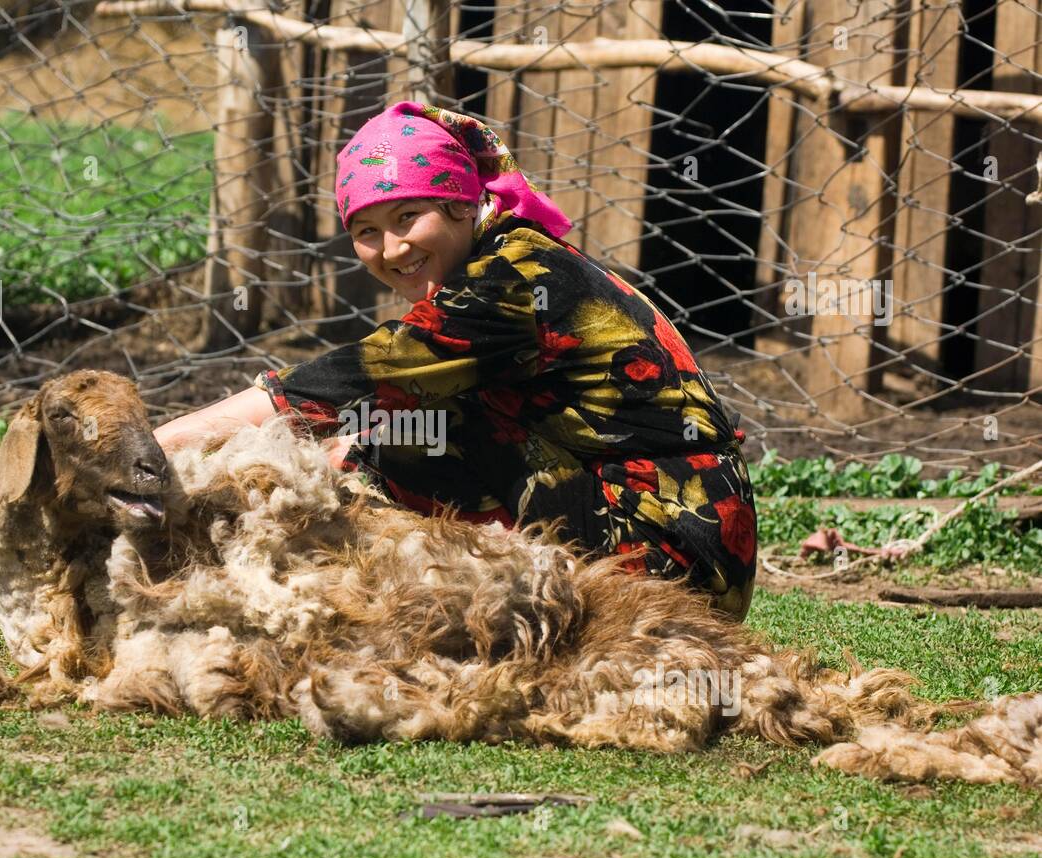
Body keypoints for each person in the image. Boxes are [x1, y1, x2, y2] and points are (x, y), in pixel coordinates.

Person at [154, 101, 757, 621]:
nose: (392, 249)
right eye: (366, 231)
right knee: (395, 430)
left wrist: (152, 448)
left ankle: (505, 601)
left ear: (464, 205)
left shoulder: (515, 278)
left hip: (677, 562)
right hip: (668, 534)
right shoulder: (505, 261)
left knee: (405, 437)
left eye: (406, 217)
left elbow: (357, 378)